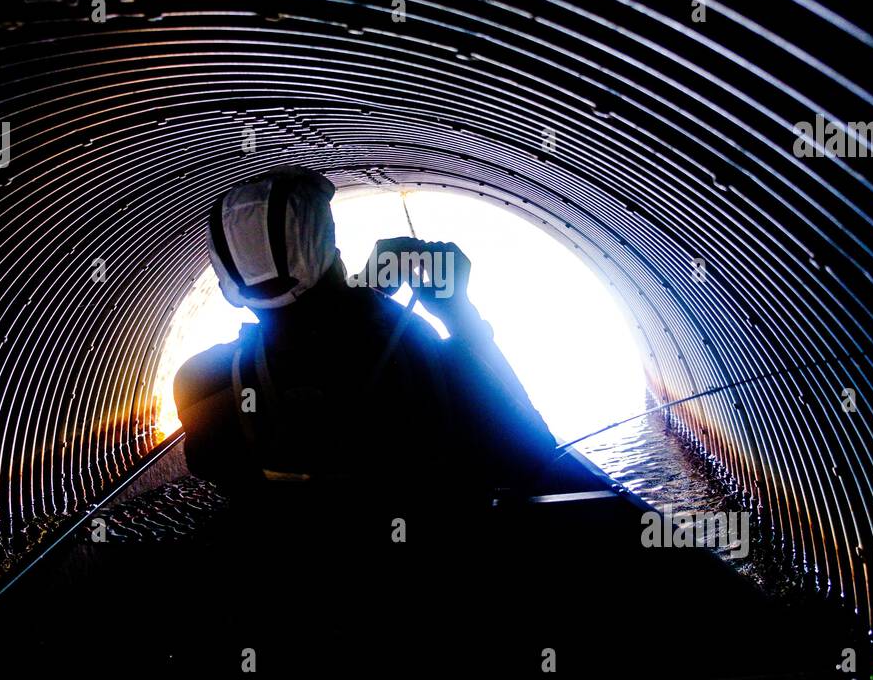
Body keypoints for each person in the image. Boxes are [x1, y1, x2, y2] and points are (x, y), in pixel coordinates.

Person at [173, 165, 606, 554]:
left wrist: (367, 291)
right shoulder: (425, 361)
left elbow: (304, 347)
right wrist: (458, 312)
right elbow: (531, 455)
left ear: (231, 281)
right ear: (332, 257)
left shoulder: (202, 382)